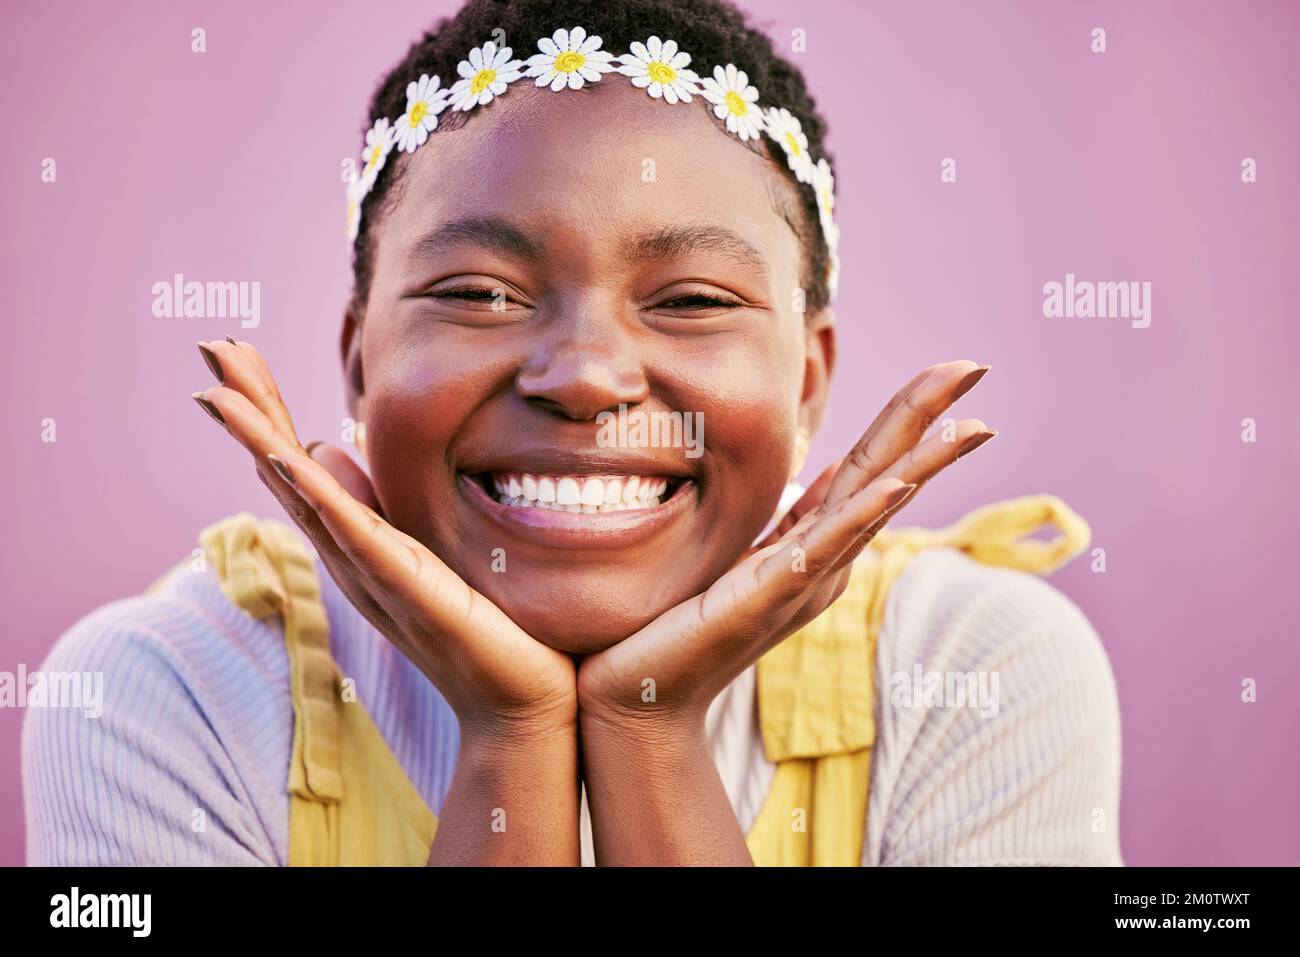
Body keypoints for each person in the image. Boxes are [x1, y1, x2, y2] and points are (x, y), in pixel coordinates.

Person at [23, 0, 1122, 866]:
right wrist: (513, 742)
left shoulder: (969, 670)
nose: (587, 377)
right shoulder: (168, 694)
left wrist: (648, 739)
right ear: (358, 360)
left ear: (808, 380)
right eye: (481, 293)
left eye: (690, 300)